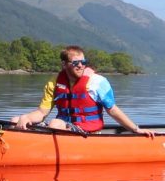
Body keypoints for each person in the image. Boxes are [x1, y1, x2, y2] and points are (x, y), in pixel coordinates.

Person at [10, 46, 154, 137]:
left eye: (83, 63)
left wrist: (136, 129)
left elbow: (113, 110)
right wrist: (26, 117)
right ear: (64, 65)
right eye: (75, 63)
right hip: (63, 127)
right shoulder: (53, 83)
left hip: (87, 130)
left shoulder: (97, 82)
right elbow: (41, 113)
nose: (80, 66)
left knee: (55, 123)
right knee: (15, 121)